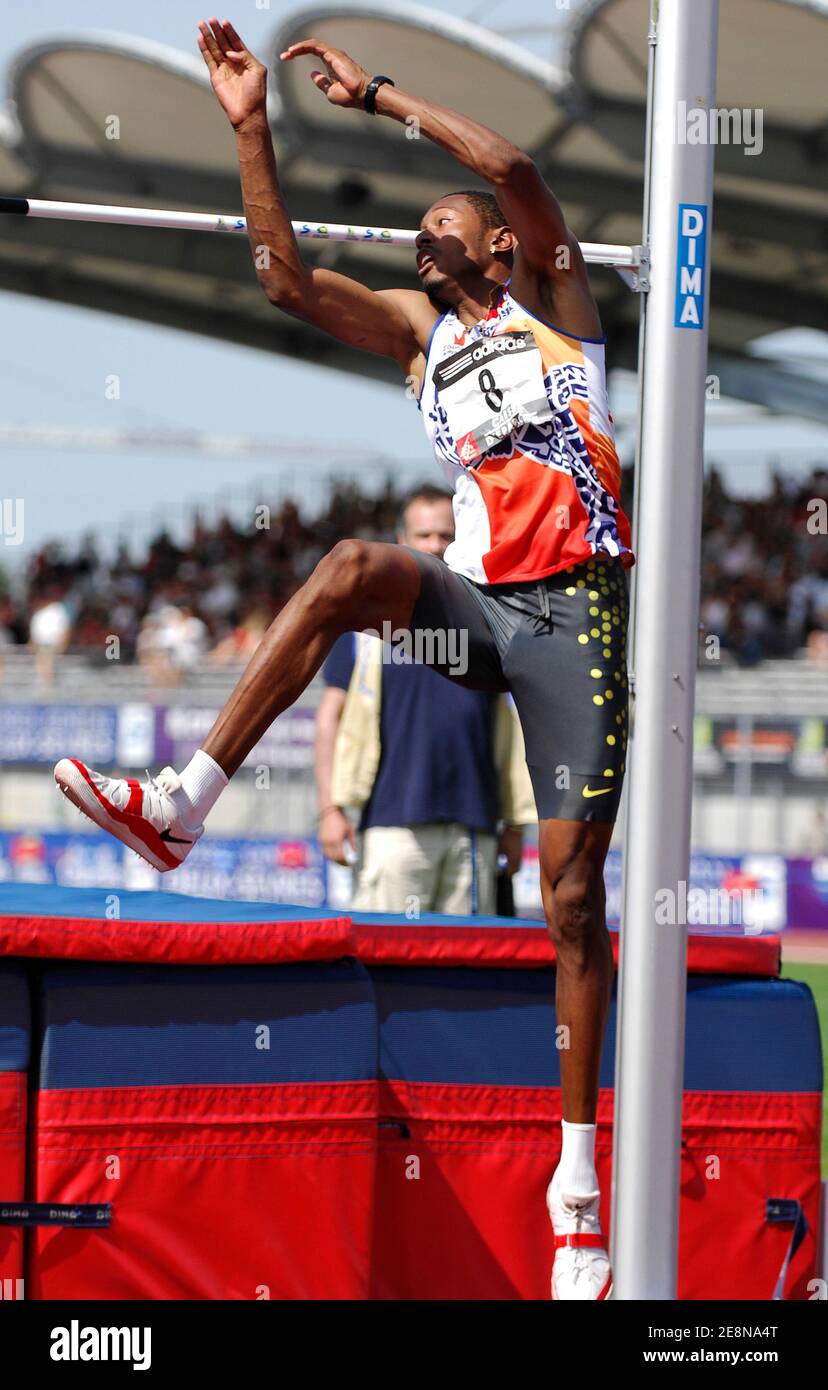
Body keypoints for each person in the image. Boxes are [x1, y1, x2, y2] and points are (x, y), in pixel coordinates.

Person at [54, 17, 634, 1300]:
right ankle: (184, 808)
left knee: (574, 905)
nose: (421, 240)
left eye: (443, 227)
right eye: (419, 231)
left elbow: (522, 172)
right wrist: (252, 126)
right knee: (353, 570)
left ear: (492, 248)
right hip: (482, 606)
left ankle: (578, 1186)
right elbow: (281, 278)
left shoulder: (561, 312)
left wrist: (381, 100)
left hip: (579, 618)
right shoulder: (420, 343)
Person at [316, 484, 531, 914]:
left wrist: (515, 822)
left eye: (445, 536)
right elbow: (329, 721)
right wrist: (330, 810)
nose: (435, 545)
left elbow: (511, 726)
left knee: (463, 969)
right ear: (402, 542)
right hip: (391, 828)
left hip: (474, 828)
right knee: (385, 962)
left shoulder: (492, 621)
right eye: (424, 535)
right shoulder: (363, 625)